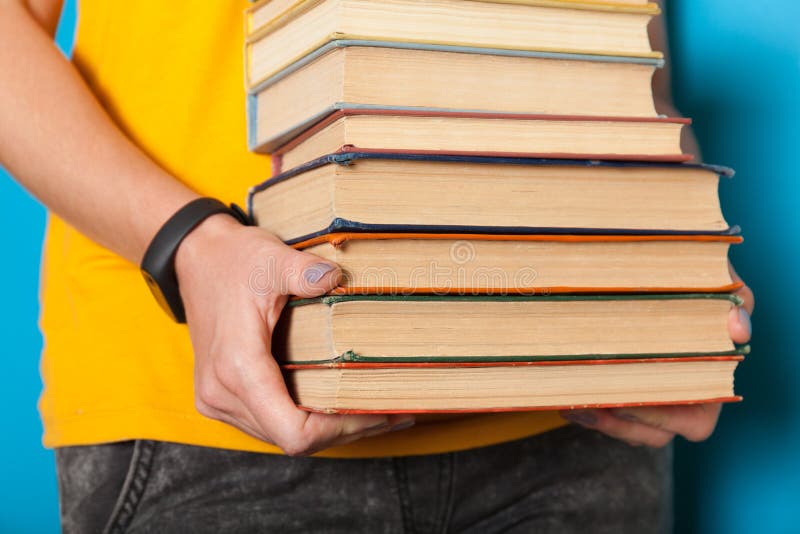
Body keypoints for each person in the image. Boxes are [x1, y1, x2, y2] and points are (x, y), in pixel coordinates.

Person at [1, 0, 753, 532]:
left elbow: (614, 49)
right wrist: (186, 242)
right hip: (204, 426)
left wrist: (662, 267)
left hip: (573, 420)